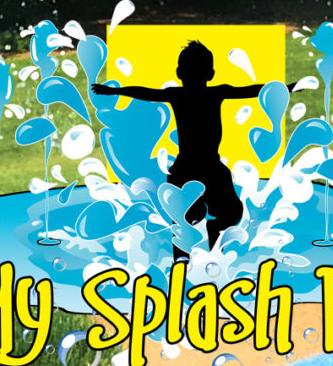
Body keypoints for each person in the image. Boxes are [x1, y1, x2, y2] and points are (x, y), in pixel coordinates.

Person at [92, 39, 262, 248]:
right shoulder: (213, 93)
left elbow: (145, 92)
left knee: (184, 221)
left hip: (188, 168)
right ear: (210, 74)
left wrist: (115, 91)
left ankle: (189, 251)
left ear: (179, 73)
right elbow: (252, 90)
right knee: (227, 214)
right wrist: (283, 89)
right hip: (205, 166)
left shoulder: (180, 94)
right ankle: (212, 236)